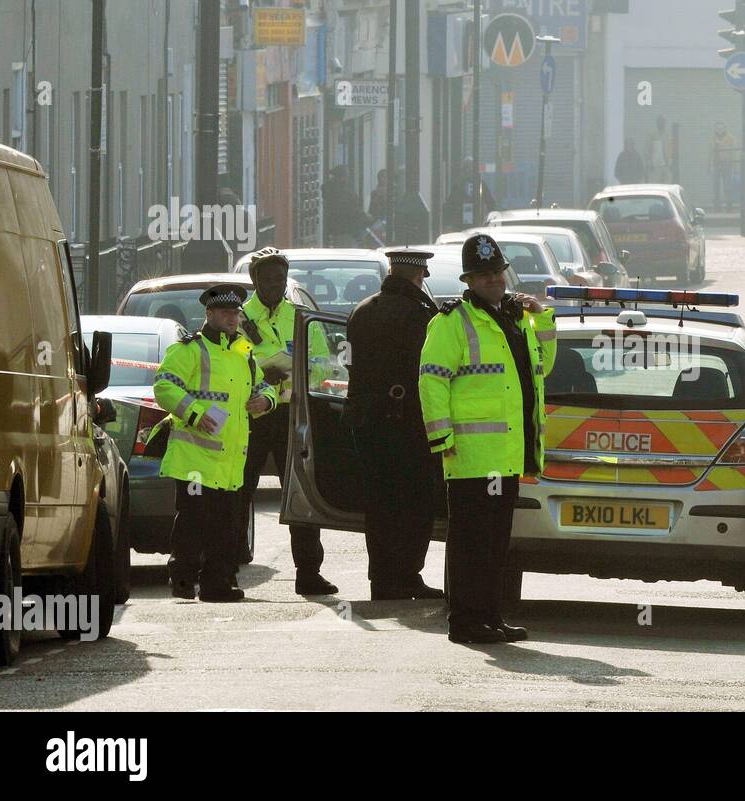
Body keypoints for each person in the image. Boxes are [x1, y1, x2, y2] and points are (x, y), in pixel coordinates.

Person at [419, 234, 557, 644]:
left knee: (496, 545)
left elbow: (543, 367)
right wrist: (441, 437)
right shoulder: (452, 321)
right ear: (469, 280)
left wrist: (543, 317)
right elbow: (431, 379)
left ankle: (491, 616)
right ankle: (464, 621)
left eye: (497, 272)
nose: (494, 280)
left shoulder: (515, 320)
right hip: (470, 454)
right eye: (484, 275)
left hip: (507, 454)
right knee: (469, 544)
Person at [153, 284, 277, 602]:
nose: (232, 318)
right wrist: (195, 414)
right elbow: (165, 386)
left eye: (235, 313)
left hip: (231, 458)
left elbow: (264, 385)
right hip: (195, 457)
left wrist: (266, 400)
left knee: (227, 524)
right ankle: (182, 580)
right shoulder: (189, 349)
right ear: (209, 314)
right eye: (225, 312)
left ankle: (217, 583)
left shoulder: (243, 351)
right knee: (193, 522)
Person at [346, 248, 445, 601]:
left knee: (380, 503)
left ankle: (382, 577)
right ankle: (405, 574)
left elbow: (351, 368)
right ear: (419, 276)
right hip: (409, 423)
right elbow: (430, 372)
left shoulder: (362, 310)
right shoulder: (422, 315)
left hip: (367, 423)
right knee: (415, 502)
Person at [238, 249, 337, 596]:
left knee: (301, 493)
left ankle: (308, 572)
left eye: (280, 278)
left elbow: (324, 364)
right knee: (239, 491)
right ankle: (225, 568)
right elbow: (231, 368)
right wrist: (264, 372)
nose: (275, 285)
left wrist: (297, 370)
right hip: (251, 415)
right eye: (268, 279)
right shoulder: (240, 319)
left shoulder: (300, 317)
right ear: (255, 281)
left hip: (292, 413)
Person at [443, 159, 496, 231]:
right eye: (466, 169)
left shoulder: (479, 184)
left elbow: (490, 202)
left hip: (475, 221)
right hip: (461, 223)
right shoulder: (459, 185)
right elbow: (451, 204)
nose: (469, 171)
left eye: (470, 169)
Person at [322, 165, 369, 247]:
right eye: (346, 175)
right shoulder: (339, 190)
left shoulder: (339, 187)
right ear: (341, 176)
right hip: (344, 228)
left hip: (342, 228)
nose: (347, 178)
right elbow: (350, 207)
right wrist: (363, 215)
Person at [708, 122, 736, 212]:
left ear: (725, 129)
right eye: (718, 128)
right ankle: (717, 207)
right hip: (716, 163)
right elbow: (710, 153)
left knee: (727, 185)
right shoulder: (712, 139)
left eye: (721, 128)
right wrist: (709, 165)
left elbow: (734, 153)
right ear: (715, 129)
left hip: (727, 164)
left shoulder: (731, 139)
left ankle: (729, 206)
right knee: (716, 186)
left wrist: (734, 165)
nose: (719, 130)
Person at [645, 115, 673, 183]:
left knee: (667, 185)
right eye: (659, 122)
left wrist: (671, 162)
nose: (661, 124)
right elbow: (647, 150)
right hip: (655, 166)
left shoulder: (668, 135)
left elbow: (670, 150)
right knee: (655, 185)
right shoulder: (652, 135)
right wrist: (649, 163)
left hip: (666, 166)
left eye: (662, 122)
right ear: (657, 123)